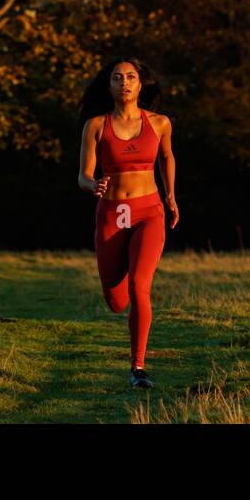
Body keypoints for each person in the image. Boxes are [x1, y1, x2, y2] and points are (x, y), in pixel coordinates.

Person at [76, 56, 178, 388]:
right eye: (117, 78)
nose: (125, 82)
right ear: (109, 86)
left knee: (140, 287)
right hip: (111, 213)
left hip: (149, 212)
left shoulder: (160, 123)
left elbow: (166, 157)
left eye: (130, 77)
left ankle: (138, 368)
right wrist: (95, 185)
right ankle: (119, 302)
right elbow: (83, 176)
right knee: (117, 300)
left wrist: (171, 197)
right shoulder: (95, 125)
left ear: (139, 83)